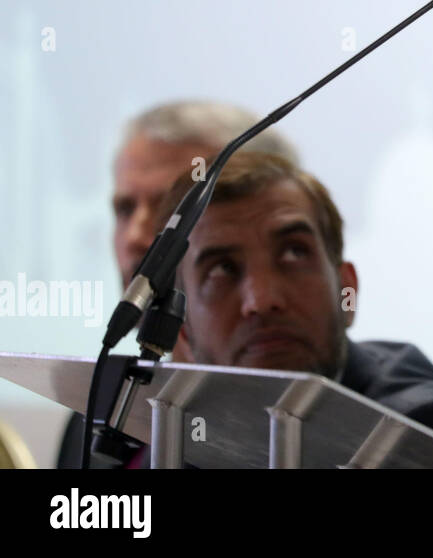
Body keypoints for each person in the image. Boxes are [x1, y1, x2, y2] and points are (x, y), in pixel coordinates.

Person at [154, 150, 433, 467]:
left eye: (294, 253)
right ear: (182, 329)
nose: (262, 301)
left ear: (347, 288)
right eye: (221, 270)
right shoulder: (169, 434)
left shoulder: (428, 433)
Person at [57, 100, 298, 468]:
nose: (136, 235)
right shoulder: (93, 417)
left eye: (168, 209)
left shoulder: (315, 423)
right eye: (124, 209)